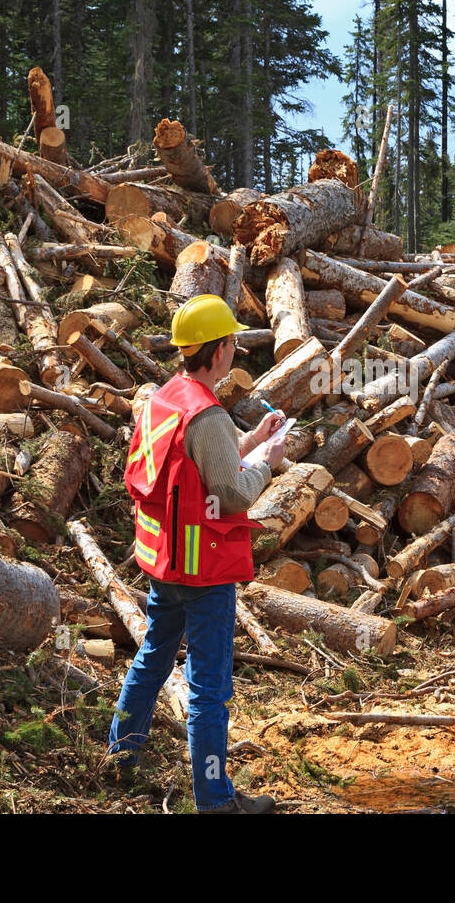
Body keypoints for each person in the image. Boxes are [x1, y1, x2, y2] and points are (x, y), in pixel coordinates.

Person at [108, 294, 286, 814]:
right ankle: (214, 799)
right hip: (204, 568)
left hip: (166, 560)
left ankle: (120, 758)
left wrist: (252, 438)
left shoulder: (169, 397)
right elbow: (230, 492)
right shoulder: (206, 415)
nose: (235, 350)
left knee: (154, 656)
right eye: (232, 341)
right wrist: (269, 463)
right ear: (220, 349)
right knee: (210, 687)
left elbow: (203, 464)